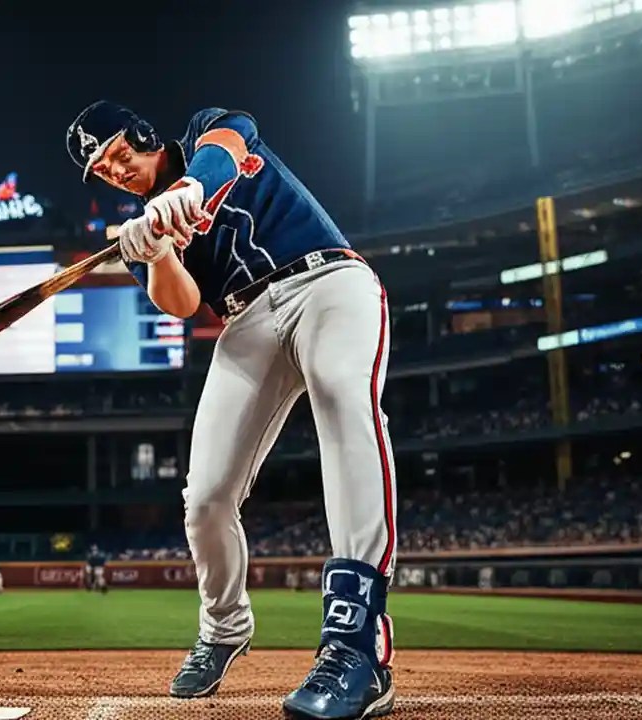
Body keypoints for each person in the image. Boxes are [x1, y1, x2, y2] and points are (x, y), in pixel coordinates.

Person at [66, 101, 397, 720]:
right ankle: (223, 628)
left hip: (327, 281)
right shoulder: (139, 229)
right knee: (206, 496)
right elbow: (185, 305)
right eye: (102, 170)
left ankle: (358, 642)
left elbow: (229, 144)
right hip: (247, 321)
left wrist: (184, 192)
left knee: (342, 398)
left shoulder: (200, 136)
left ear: (142, 134)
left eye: (118, 153)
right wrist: (158, 250)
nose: (115, 169)